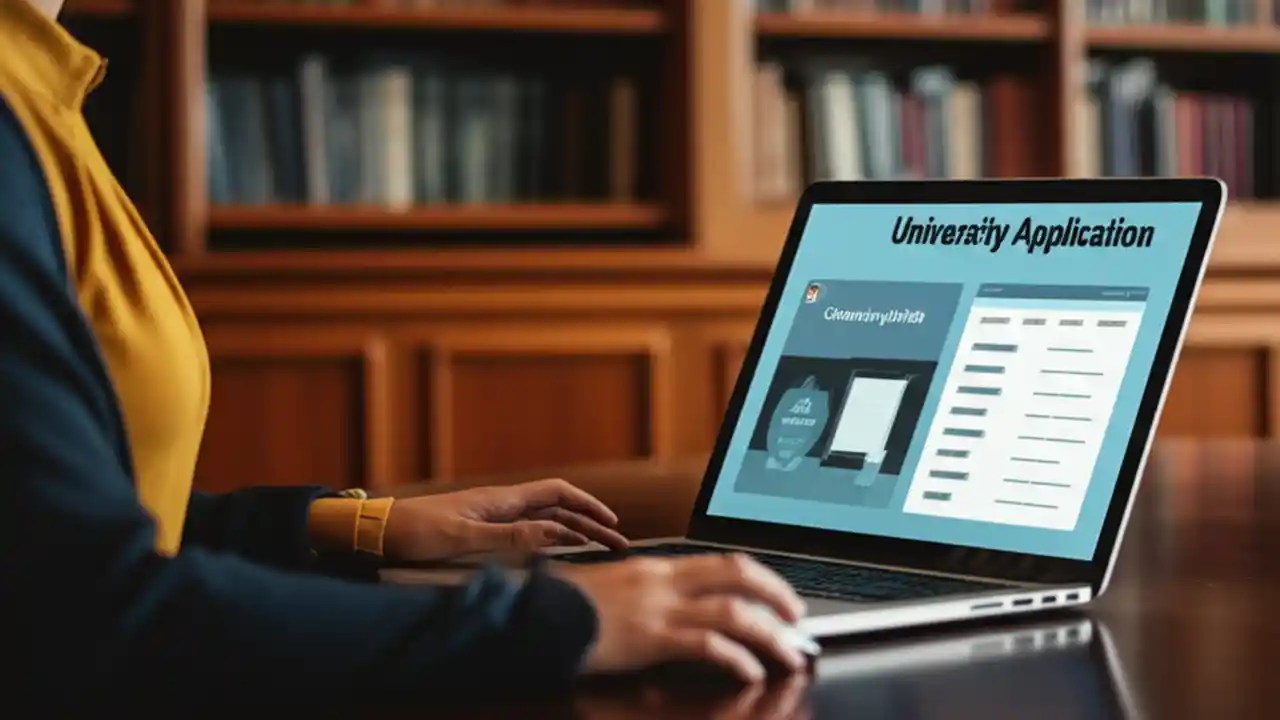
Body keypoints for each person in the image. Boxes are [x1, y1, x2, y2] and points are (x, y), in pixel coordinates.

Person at [0, 0, 807, 703]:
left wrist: (367, 526)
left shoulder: (39, 89)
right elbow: (84, 617)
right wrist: (570, 620)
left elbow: (79, 525)